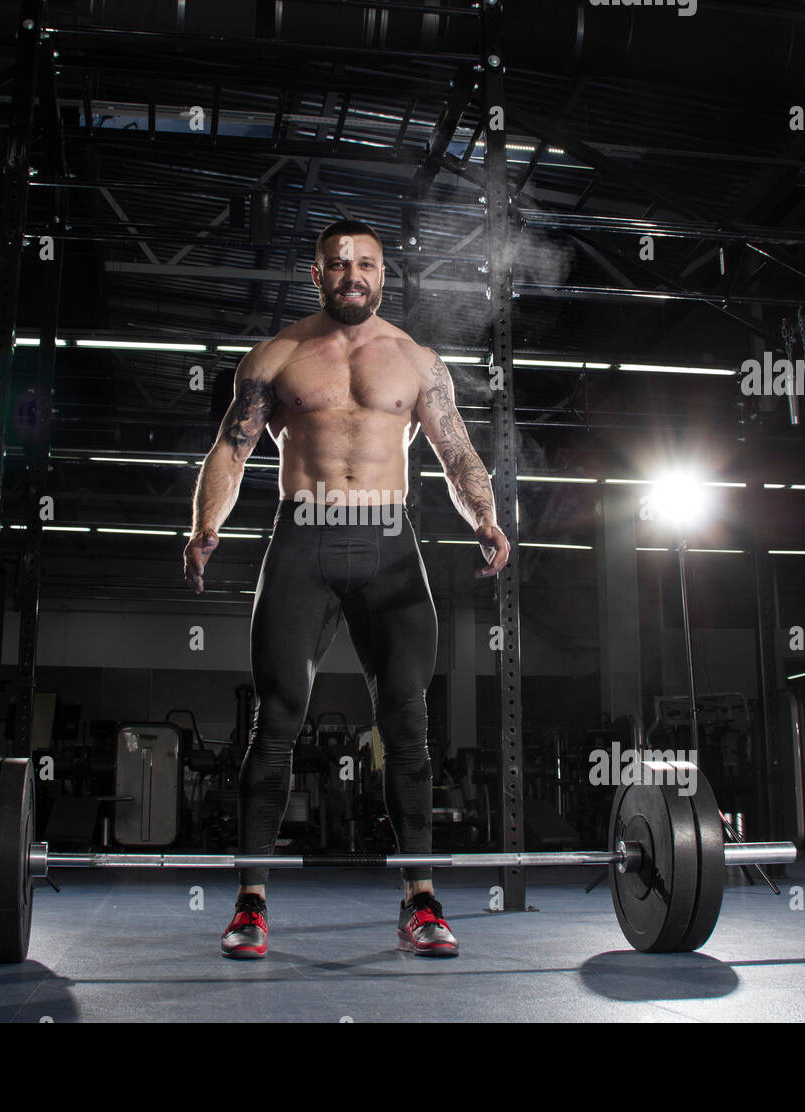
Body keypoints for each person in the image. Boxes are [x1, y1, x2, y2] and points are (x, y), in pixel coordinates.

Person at [183, 219, 511, 959]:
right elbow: (231, 453)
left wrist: (485, 518)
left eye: (363, 263)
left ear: (383, 275)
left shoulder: (418, 362)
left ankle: (421, 900)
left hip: (391, 545)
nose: (350, 274)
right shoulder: (276, 356)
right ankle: (250, 903)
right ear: (316, 275)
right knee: (275, 726)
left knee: (407, 726)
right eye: (337, 264)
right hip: (303, 539)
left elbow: (458, 452)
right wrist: (206, 527)